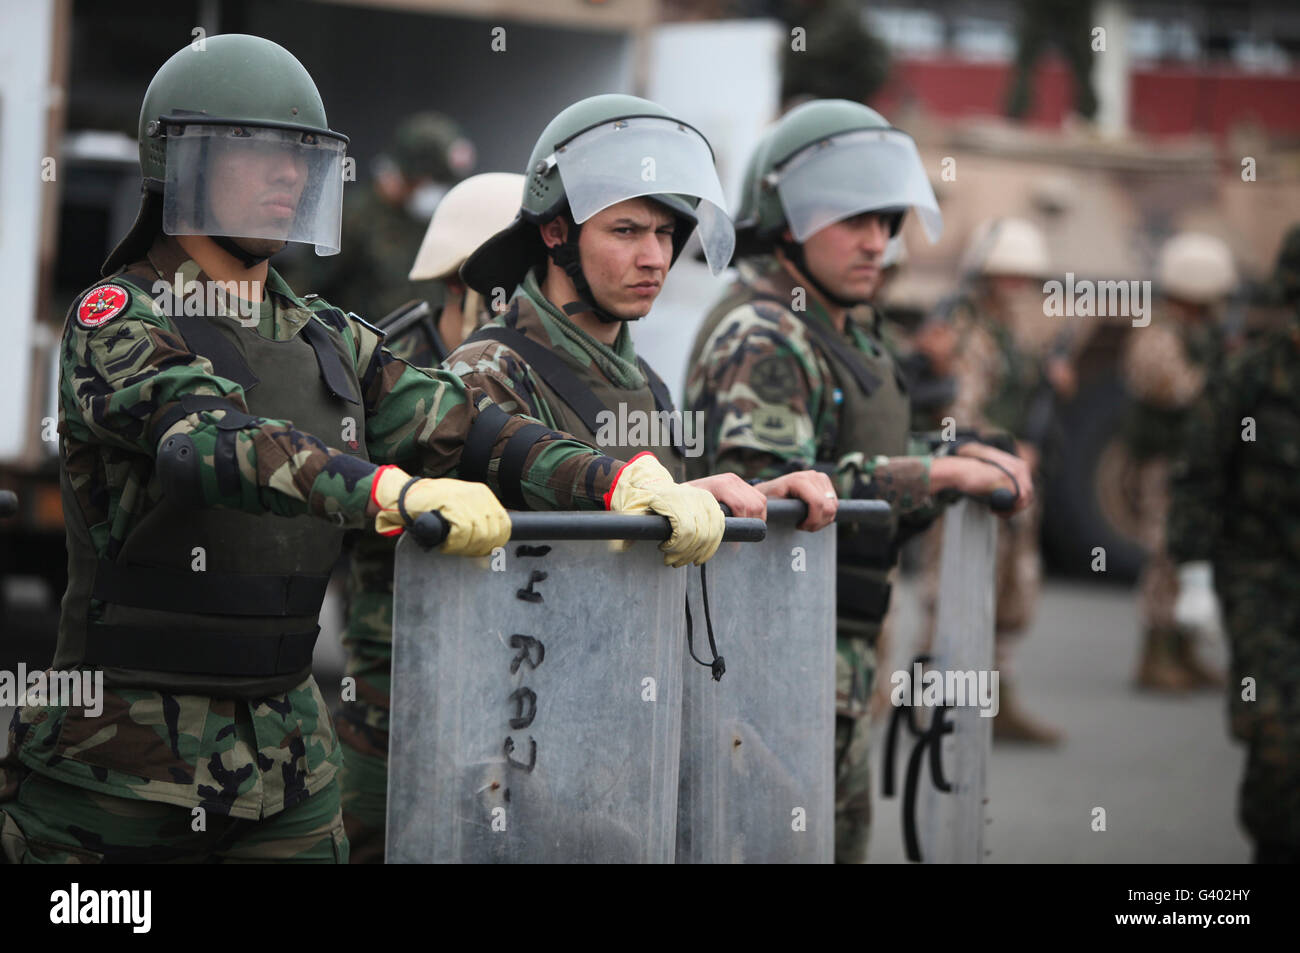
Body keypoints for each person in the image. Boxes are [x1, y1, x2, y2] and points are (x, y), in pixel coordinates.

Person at [0, 35, 724, 864]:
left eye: (301, 157)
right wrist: (389, 491)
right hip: (120, 761)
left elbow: (463, 422)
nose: (288, 176)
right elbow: (204, 442)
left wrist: (618, 478)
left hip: (287, 753)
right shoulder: (120, 317)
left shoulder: (328, 336)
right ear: (184, 162)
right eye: (260, 152)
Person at [685, 99, 1034, 863]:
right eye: (854, 221)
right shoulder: (763, 332)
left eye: (887, 221)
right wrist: (941, 470)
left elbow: (853, 445)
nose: (878, 241)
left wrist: (967, 454)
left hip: (836, 652)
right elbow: (775, 489)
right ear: (788, 223)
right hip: (770, 661)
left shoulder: (847, 326)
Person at [451, 94, 840, 533]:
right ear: (556, 232)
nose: (654, 258)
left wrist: (761, 496)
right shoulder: (487, 374)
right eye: (626, 231)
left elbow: (677, 515)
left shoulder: (642, 380)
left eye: (665, 233)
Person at [334, 172, 525, 863]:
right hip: (396, 700)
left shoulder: (534, 379)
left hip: (516, 702)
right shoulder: (387, 377)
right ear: (458, 287)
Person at [1168, 224, 1300, 864]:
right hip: (1263, 580)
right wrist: (1193, 578)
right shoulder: (1249, 377)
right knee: (1275, 739)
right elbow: (1198, 478)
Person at [934, 217, 1071, 745]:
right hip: (973, 478)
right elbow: (960, 413)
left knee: (1012, 594)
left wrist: (1050, 376)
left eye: (1023, 279)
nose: (1015, 287)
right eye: (1006, 277)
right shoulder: (969, 333)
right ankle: (938, 711)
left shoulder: (1010, 331)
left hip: (1011, 477)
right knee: (954, 592)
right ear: (986, 277)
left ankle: (999, 700)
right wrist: (1009, 447)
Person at [1124, 232, 1236, 691]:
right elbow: (1182, 391)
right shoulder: (1160, 338)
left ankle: (1185, 651)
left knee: (1192, 555)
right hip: (1165, 467)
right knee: (1165, 555)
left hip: (1193, 467)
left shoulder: (1199, 336)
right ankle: (1155, 655)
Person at [286, 111, 477, 320]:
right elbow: (302, 289)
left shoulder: (428, 222)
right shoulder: (353, 220)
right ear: (410, 173)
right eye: (433, 180)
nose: (438, 191)